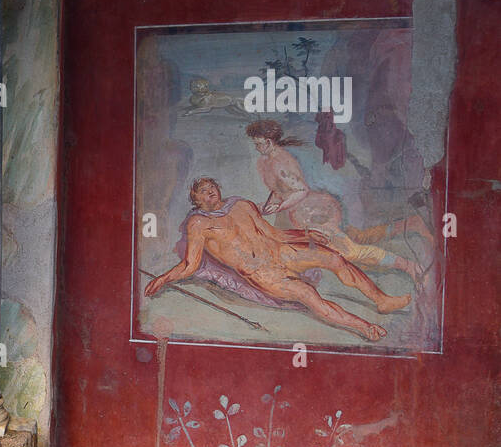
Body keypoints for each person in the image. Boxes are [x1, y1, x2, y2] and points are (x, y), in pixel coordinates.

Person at [145, 178, 410, 342]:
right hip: (263, 273)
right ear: (196, 200)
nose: (209, 191)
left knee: (335, 259)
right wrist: (163, 279)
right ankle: (363, 327)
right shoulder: (198, 224)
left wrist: (305, 234)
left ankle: (382, 300)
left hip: (282, 252)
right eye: (202, 191)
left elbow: (274, 233)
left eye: (210, 186)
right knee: (308, 294)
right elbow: (191, 265)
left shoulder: (242, 204)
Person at [247, 119, 430, 279]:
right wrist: (265, 206)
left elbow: (301, 190)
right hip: (297, 213)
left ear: (270, 142)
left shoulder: (282, 162)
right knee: (356, 238)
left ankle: (410, 266)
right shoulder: (263, 162)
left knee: (350, 252)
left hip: (314, 211)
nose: (257, 147)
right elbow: (278, 190)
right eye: (256, 143)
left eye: (259, 143)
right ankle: (412, 224)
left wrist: (278, 207)